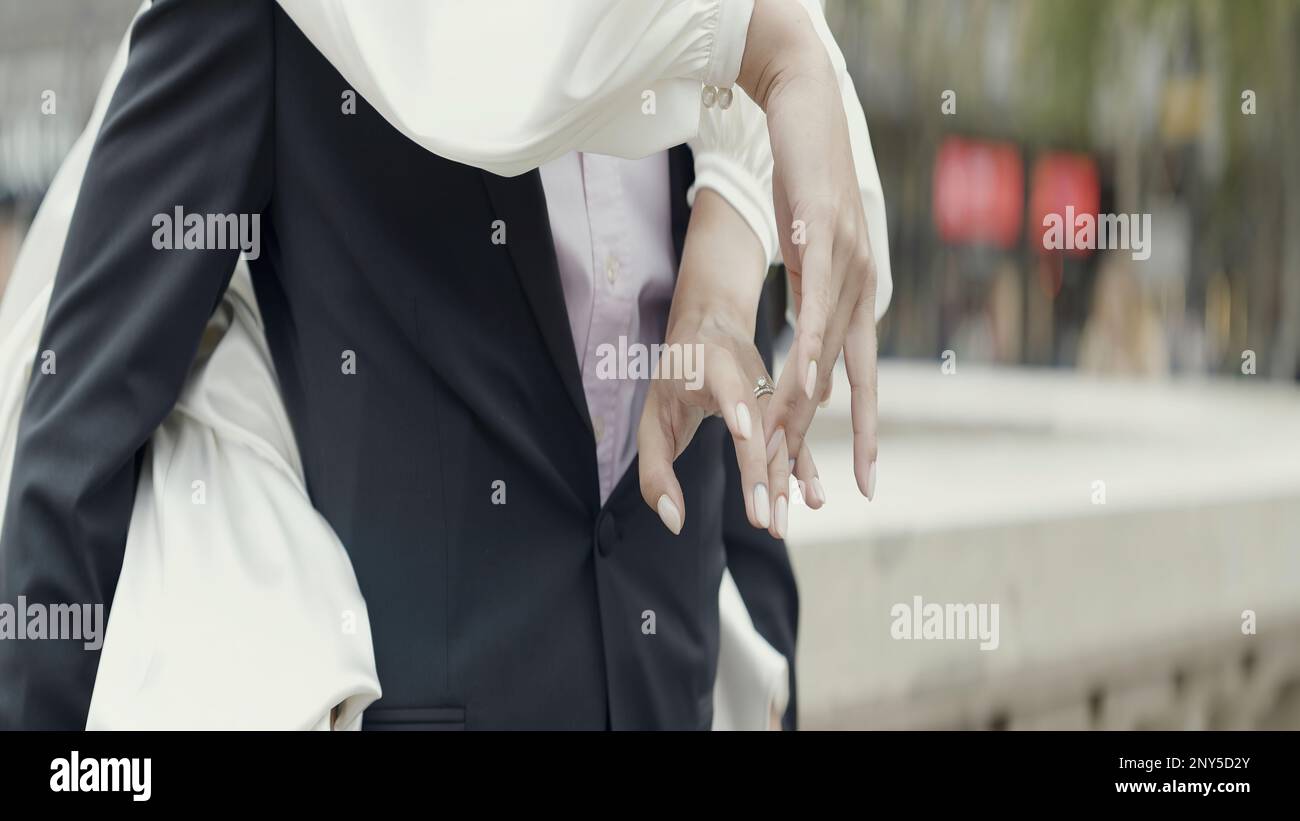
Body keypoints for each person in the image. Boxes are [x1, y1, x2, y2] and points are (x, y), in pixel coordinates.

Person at [0, 0, 888, 730]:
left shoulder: (743, 27)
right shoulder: (278, 18)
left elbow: (738, 388)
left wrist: (768, 659)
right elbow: (81, 424)